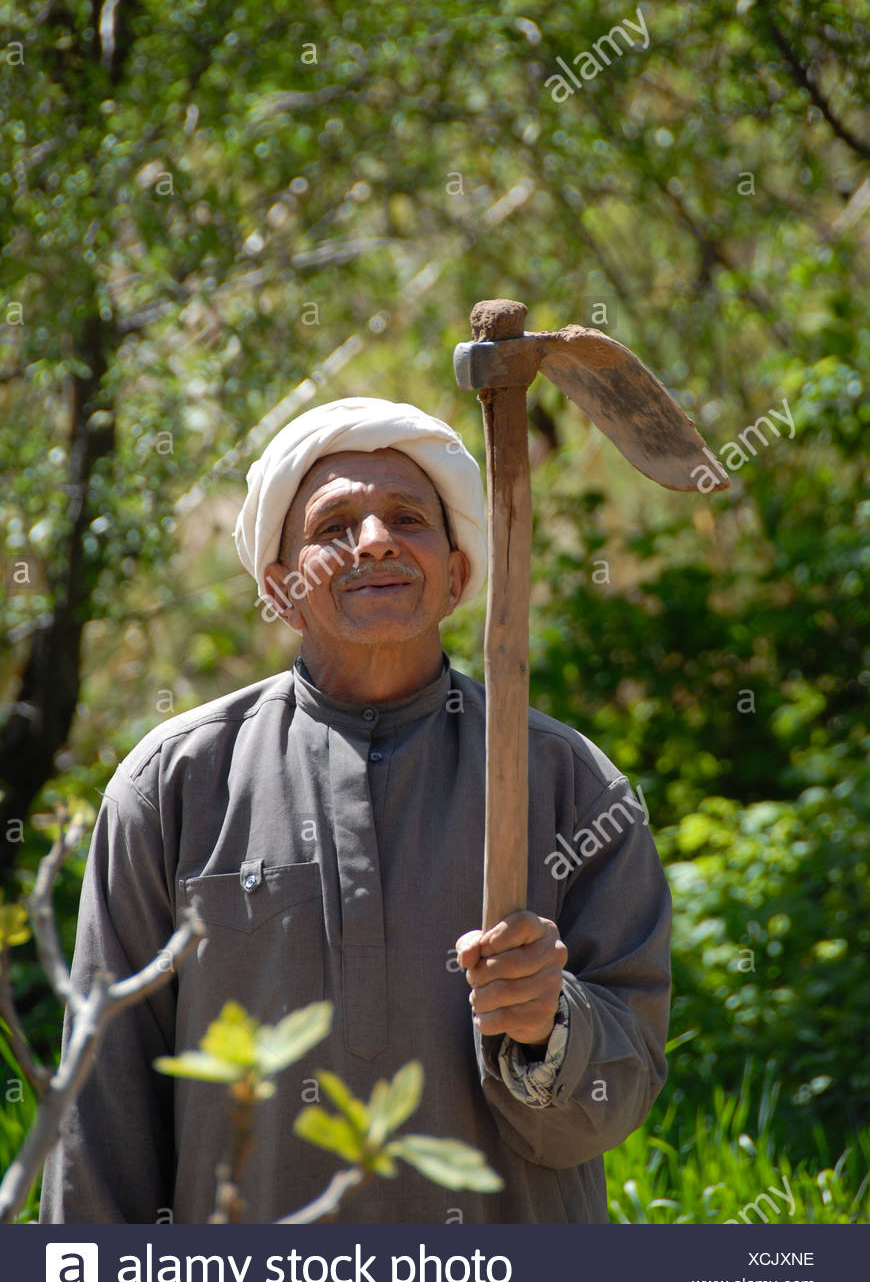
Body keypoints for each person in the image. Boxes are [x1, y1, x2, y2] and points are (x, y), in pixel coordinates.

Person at [39, 395, 671, 1224]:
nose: (374, 541)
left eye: (407, 519)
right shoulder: (173, 787)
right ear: (280, 587)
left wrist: (553, 1026)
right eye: (335, 526)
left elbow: (618, 1091)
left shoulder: (571, 784)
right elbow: (103, 1101)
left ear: (457, 574)